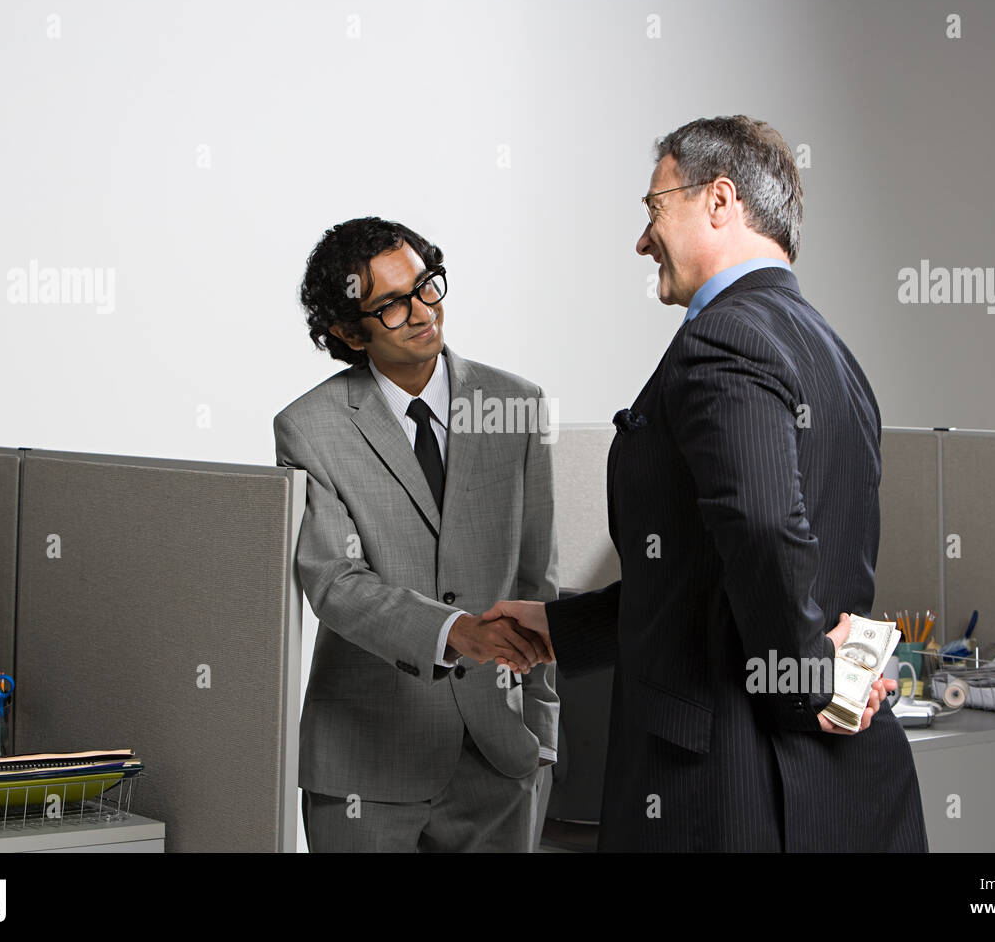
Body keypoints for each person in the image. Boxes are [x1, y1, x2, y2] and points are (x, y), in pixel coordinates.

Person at [486, 117, 928, 852]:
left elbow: (761, 525)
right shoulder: (830, 352)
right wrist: (560, 628)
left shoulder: (725, 337)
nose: (641, 239)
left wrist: (804, 677)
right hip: (828, 781)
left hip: (728, 788)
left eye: (653, 210)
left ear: (719, 201)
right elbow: (705, 576)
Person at [274, 217, 558, 852]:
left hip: (499, 761)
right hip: (366, 767)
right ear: (348, 331)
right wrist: (454, 631)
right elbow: (335, 583)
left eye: (427, 286)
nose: (422, 311)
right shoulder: (308, 428)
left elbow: (539, 579)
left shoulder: (517, 405)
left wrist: (541, 735)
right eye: (392, 305)